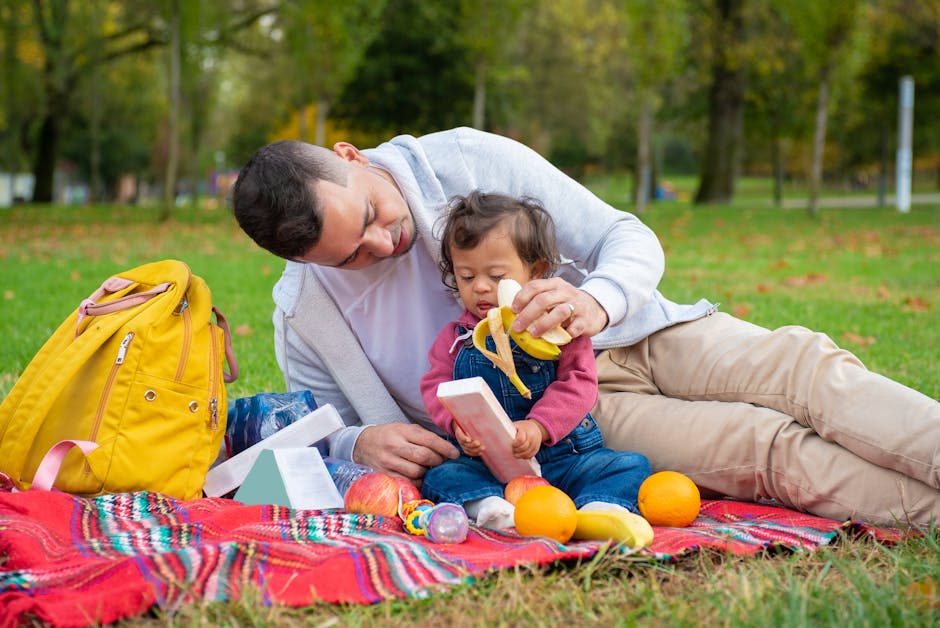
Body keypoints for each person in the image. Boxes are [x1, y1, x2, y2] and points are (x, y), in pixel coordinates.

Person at [231, 126, 940, 527]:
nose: (383, 245)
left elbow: (625, 237)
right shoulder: (304, 314)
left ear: (350, 157)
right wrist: (359, 440)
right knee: (763, 448)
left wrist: (597, 302)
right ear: (302, 260)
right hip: (573, 421)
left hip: (637, 331)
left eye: (370, 218)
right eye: (349, 257)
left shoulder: (461, 159)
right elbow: (320, 435)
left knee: (808, 367)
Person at [419, 191, 651, 528]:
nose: (480, 287)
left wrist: (539, 426)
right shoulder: (457, 338)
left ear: (535, 271)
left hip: (565, 456)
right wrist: (457, 425)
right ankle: (490, 507)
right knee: (442, 475)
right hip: (488, 463)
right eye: (467, 277)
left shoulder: (557, 328)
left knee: (630, 466)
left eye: (496, 276)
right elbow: (435, 386)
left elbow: (579, 384)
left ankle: (598, 509)